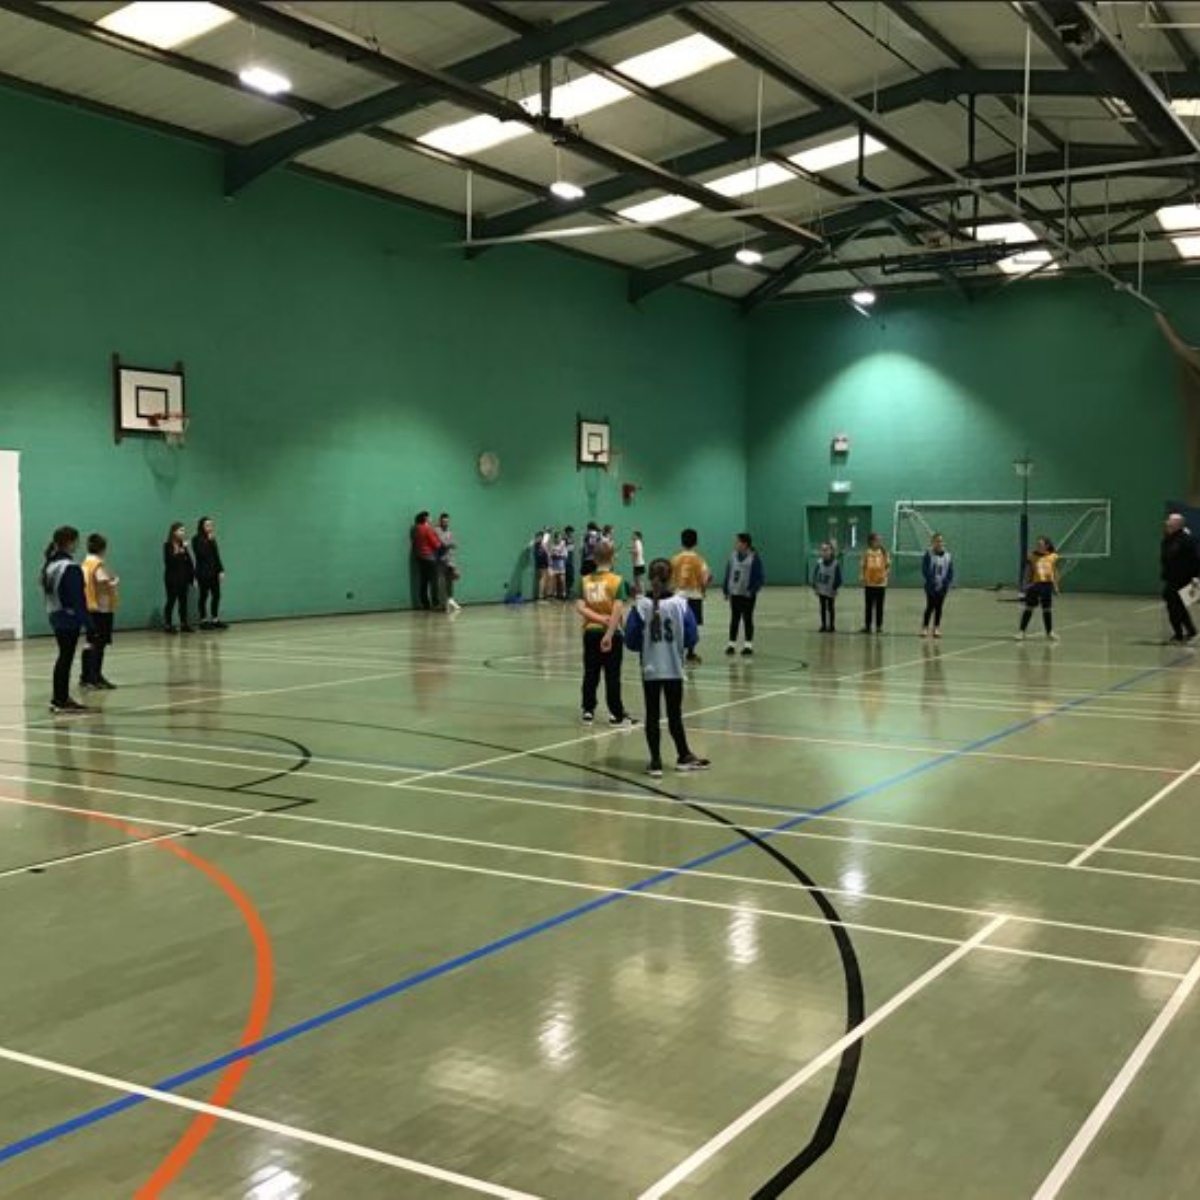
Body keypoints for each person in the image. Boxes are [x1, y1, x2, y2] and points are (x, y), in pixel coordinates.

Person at [624, 558, 710, 777]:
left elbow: (631, 641)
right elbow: (692, 637)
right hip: (673, 669)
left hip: (650, 670)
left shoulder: (641, 606)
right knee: (675, 715)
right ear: (671, 577)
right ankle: (683, 755)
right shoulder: (681, 604)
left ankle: (655, 762)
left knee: (652, 715)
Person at [575, 541, 637, 727]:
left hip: (590, 633)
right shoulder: (617, 581)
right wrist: (610, 633)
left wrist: (598, 619)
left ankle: (588, 710)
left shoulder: (584, 581)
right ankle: (616, 714)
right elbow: (617, 610)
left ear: (594, 558)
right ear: (613, 558)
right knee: (612, 675)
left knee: (590, 673)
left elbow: (580, 607)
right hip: (611, 635)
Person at [42, 526, 90, 714]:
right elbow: (77, 598)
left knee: (64, 656)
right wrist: (89, 623)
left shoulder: (51, 565)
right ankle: (60, 699)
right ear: (71, 542)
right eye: (76, 541)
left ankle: (60, 697)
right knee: (65, 658)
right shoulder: (69, 567)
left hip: (55, 615)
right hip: (68, 618)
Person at [80, 532, 119, 690]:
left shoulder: (85, 562)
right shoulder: (97, 564)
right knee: (99, 644)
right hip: (101, 608)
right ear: (103, 548)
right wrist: (114, 582)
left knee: (89, 643)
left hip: (89, 606)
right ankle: (95, 677)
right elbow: (102, 581)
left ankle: (86, 676)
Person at [671, 528, 710, 665]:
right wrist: (704, 589)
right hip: (694, 596)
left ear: (682, 542)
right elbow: (705, 578)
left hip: (678, 596)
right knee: (692, 625)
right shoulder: (699, 560)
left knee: (679, 624)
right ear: (696, 542)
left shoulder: (675, 559)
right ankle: (691, 653)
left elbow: (670, 578)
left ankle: (677, 652)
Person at [723, 532, 764, 656]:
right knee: (734, 618)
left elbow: (759, 577)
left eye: (738, 542)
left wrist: (752, 590)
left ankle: (748, 645)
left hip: (747, 595)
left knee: (747, 618)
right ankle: (731, 644)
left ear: (745, 544)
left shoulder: (754, 558)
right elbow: (728, 573)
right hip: (734, 593)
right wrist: (726, 590)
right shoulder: (732, 556)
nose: (735, 544)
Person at [1161, 512, 1200, 644]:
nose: (1167, 523)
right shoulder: (1168, 539)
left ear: (1177, 524)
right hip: (1172, 578)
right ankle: (1186, 631)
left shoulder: (1186, 540)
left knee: (1176, 607)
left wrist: (1195, 578)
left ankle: (1181, 633)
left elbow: (1196, 560)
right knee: (1175, 606)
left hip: (1184, 579)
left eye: (1170, 522)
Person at [1016, 535, 1060, 641]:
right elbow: (1027, 572)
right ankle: (1021, 632)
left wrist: (1055, 586)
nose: (1038, 546)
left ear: (1047, 545)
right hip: (1035, 585)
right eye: (1037, 544)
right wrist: (1024, 584)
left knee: (1047, 609)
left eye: (1040, 544)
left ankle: (1049, 633)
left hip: (1047, 585)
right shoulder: (1032, 556)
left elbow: (1054, 572)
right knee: (1029, 608)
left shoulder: (1053, 556)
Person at [193, 516, 227, 630]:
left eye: (211, 525)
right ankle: (203, 620)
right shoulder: (196, 539)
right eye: (207, 525)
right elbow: (201, 554)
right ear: (202, 526)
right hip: (203, 572)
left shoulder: (212, 539)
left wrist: (221, 570)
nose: (210, 527)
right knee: (204, 596)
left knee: (216, 595)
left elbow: (216, 555)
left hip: (213, 572)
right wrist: (209, 541)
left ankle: (215, 619)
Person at [920, 532, 954, 639]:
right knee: (930, 606)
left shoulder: (948, 556)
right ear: (932, 542)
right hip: (931, 586)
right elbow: (925, 570)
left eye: (940, 541)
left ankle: (936, 628)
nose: (939, 543)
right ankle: (925, 627)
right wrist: (931, 581)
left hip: (942, 587)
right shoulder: (928, 554)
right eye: (937, 541)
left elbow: (950, 572)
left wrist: (946, 583)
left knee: (939, 607)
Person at [163, 521, 195, 633]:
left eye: (184, 530)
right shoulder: (167, 545)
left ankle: (183, 623)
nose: (183, 532)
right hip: (172, 578)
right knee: (171, 601)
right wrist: (180, 550)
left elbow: (189, 562)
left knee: (183, 602)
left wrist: (192, 577)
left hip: (183, 578)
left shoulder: (183, 545)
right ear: (174, 532)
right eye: (181, 530)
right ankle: (168, 624)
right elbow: (169, 561)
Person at [859, 531, 891, 634]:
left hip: (880, 584)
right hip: (869, 583)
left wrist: (884, 575)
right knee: (868, 606)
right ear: (871, 541)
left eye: (880, 540)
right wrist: (862, 577)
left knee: (879, 606)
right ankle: (867, 626)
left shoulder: (884, 552)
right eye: (877, 540)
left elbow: (888, 566)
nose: (879, 542)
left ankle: (879, 627)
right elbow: (863, 566)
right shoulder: (866, 552)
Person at [411, 511, 441, 610]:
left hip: (419, 557)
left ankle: (425, 604)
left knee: (424, 580)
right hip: (429, 557)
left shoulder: (415, 529)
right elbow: (436, 544)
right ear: (425, 518)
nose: (431, 519)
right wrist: (435, 534)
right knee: (434, 581)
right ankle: (436, 603)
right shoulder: (427, 529)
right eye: (429, 517)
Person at [812, 541, 842, 632]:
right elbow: (815, 575)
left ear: (831, 551)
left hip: (830, 590)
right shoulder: (819, 562)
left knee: (831, 607)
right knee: (822, 608)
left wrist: (835, 588)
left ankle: (832, 626)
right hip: (821, 589)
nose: (824, 552)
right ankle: (823, 625)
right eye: (822, 550)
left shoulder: (835, 564)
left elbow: (839, 578)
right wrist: (815, 586)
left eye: (826, 550)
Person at [436, 512, 460, 613]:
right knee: (442, 582)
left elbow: (454, 546)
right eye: (443, 521)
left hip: (450, 559)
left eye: (447, 521)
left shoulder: (450, 532)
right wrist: (450, 544)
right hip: (441, 560)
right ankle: (444, 604)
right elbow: (444, 544)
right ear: (440, 521)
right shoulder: (436, 530)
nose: (445, 523)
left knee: (451, 580)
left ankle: (450, 600)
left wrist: (455, 565)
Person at [549, 530, 568, 600]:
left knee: (562, 579)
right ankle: (555, 593)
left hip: (561, 563)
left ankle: (564, 593)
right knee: (555, 579)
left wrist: (559, 556)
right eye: (557, 537)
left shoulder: (563, 544)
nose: (558, 538)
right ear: (555, 538)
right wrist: (551, 561)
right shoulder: (552, 545)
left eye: (559, 537)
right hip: (554, 563)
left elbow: (565, 555)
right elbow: (550, 555)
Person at [563, 525, 577, 598]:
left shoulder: (571, 539)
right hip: (566, 560)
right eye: (571, 532)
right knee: (567, 576)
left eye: (572, 532)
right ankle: (566, 593)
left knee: (571, 576)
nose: (572, 534)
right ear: (568, 532)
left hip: (570, 559)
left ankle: (569, 592)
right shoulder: (564, 539)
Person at [631, 530, 646, 595]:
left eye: (634, 535)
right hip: (638, 564)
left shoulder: (637, 542)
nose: (632, 536)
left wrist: (631, 551)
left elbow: (637, 552)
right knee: (637, 580)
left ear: (637, 536)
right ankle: (639, 593)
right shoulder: (638, 542)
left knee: (639, 580)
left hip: (638, 564)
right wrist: (632, 549)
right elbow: (638, 551)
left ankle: (642, 593)